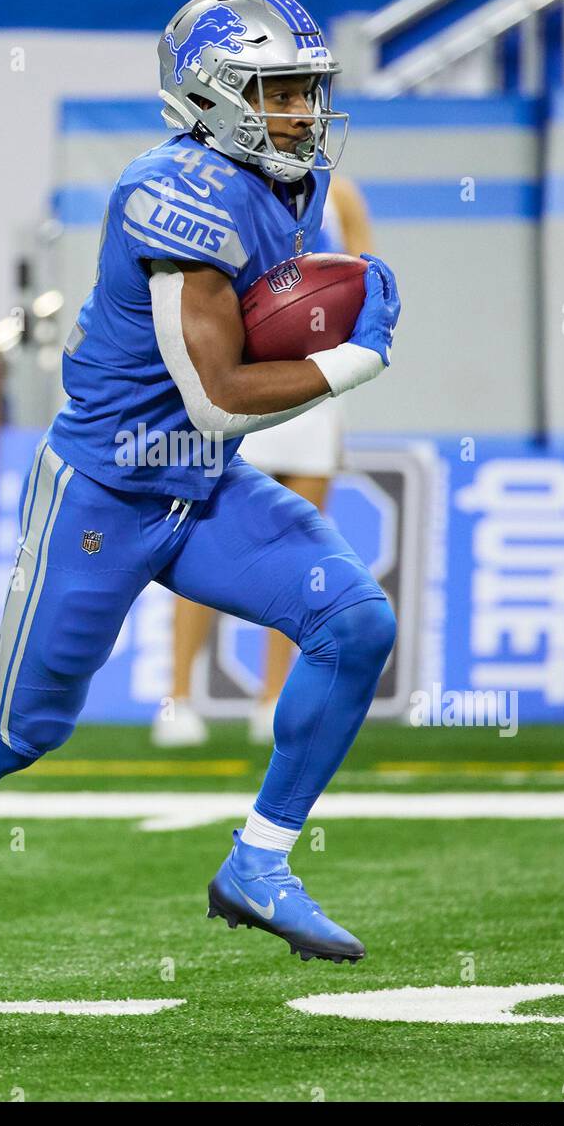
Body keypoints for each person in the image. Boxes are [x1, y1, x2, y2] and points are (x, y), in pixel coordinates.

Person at [0, 0, 401, 1018]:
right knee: (18, 729)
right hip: (104, 488)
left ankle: (258, 861)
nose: (297, 115)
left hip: (198, 483)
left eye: (304, 93)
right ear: (207, 96)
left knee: (355, 621)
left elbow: (230, 379)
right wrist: (353, 358)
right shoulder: (166, 189)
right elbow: (218, 394)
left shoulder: (295, 178)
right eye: (274, 93)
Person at [153, 175, 375, 748]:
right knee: (203, 539)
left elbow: (362, 285)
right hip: (242, 381)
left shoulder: (342, 194)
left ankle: (273, 697)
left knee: (300, 551)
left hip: (312, 385)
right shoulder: (230, 192)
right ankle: (177, 697)